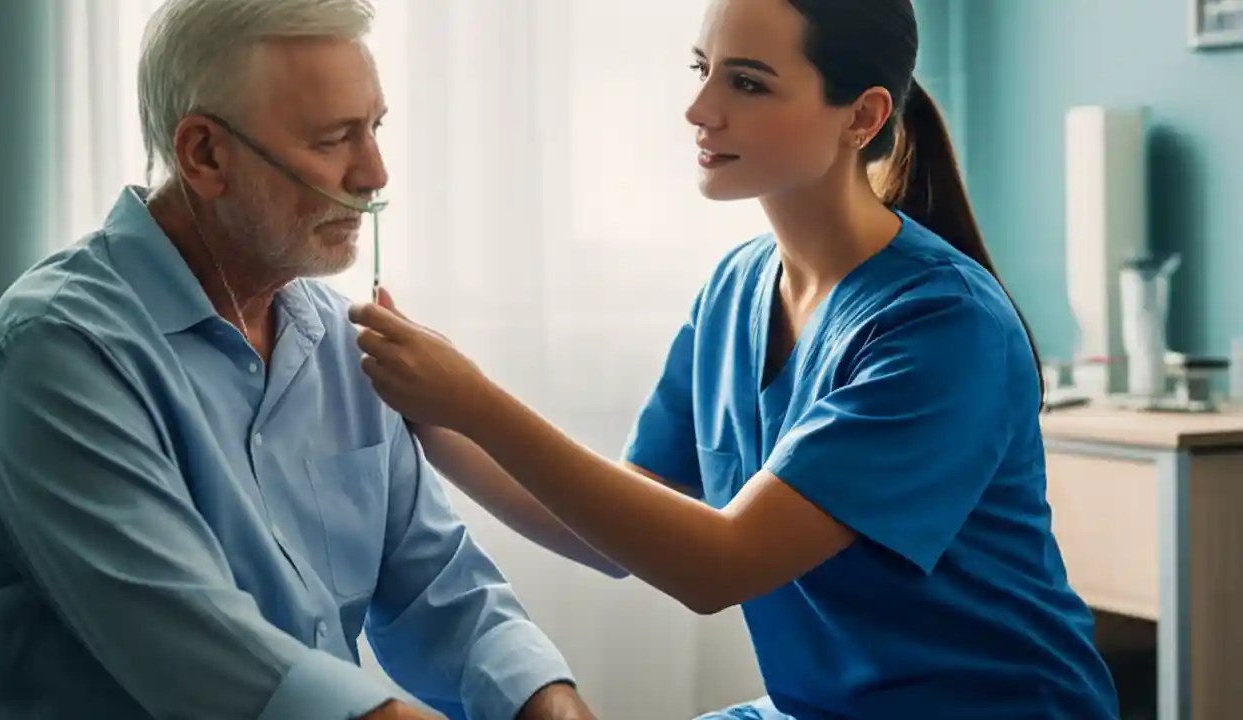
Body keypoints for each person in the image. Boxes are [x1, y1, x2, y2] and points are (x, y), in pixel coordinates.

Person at [349, 0, 1122, 717]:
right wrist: (429, 415)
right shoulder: (736, 288)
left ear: (862, 116)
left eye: (747, 83)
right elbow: (612, 531)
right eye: (702, 70)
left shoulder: (943, 326)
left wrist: (475, 400)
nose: (699, 109)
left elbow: (717, 567)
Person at [0, 1, 595, 719]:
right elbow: (204, 655)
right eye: (334, 140)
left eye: (375, 127)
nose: (375, 173)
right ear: (205, 154)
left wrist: (546, 701)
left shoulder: (341, 340)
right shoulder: (59, 351)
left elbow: (440, 587)